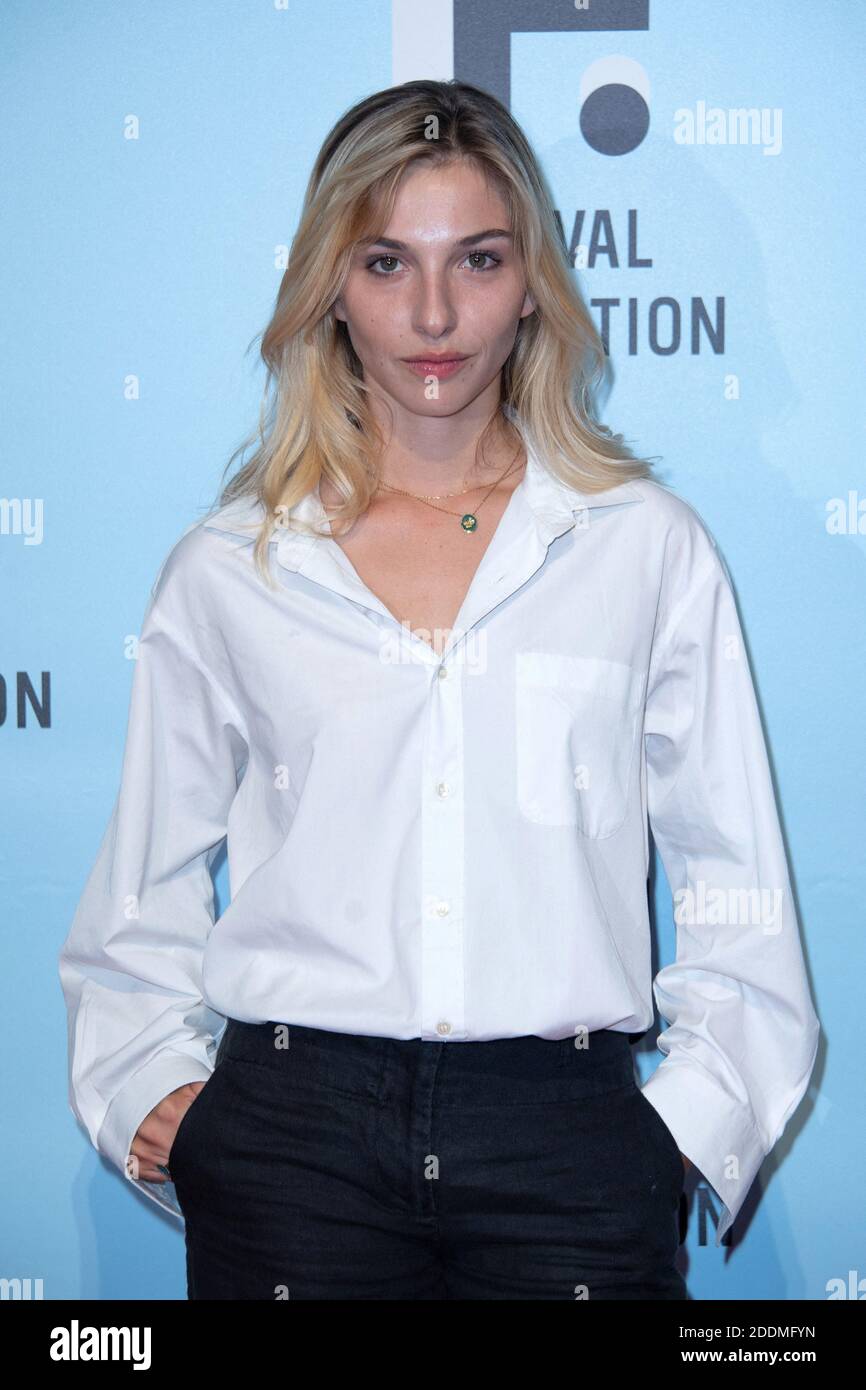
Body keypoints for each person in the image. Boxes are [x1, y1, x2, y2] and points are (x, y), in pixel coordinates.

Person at [58, 79, 820, 1301]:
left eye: (474, 258)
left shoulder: (642, 546)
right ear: (328, 288)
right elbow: (135, 893)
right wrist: (152, 1089)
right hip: (292, 1148)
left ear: (531, 283)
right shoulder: (231, 566)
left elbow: (734, 884)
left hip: (566, 1145)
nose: (429, 312)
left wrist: (675, 1131)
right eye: (381, 261)